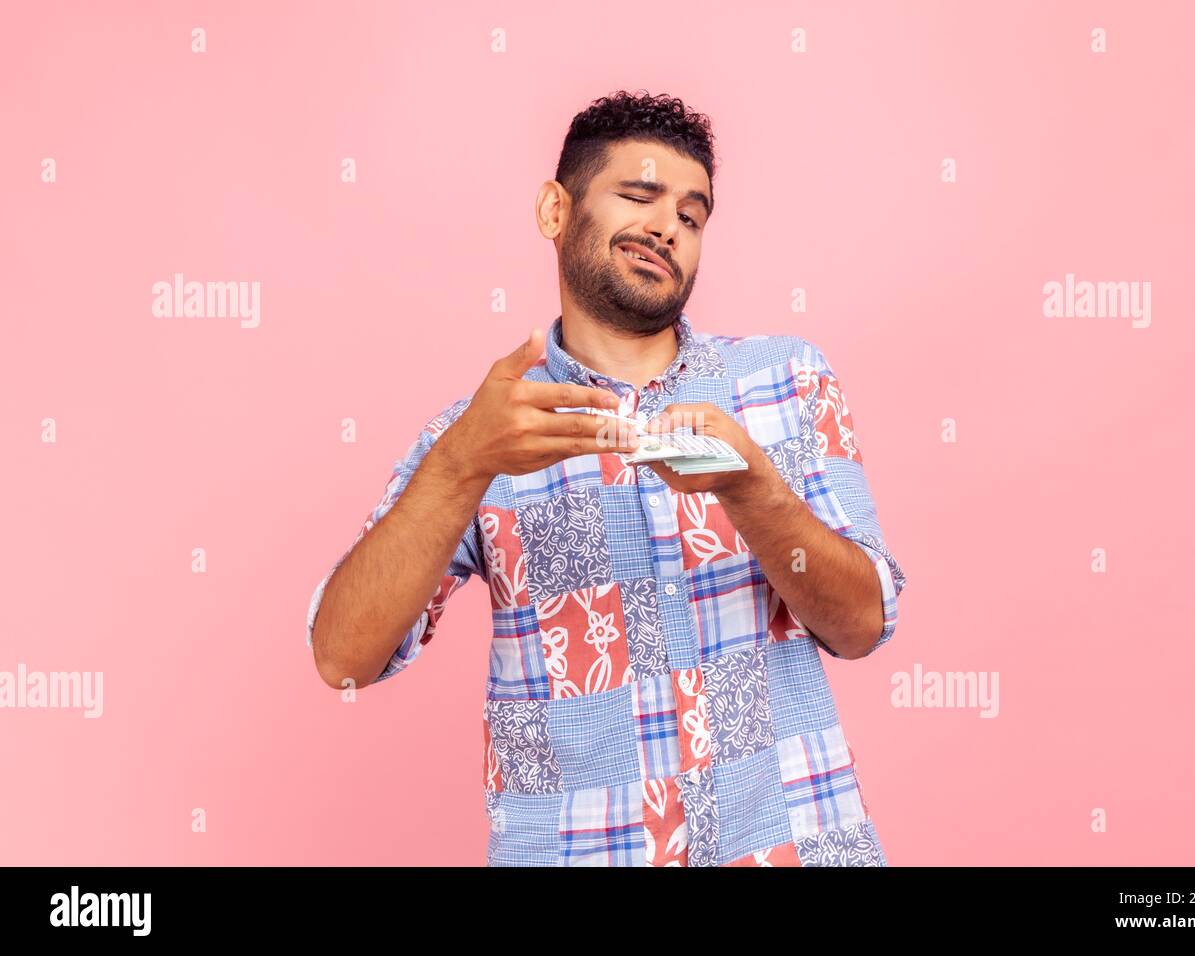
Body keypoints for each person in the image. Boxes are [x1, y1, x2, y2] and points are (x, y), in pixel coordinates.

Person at [306, 90, 907, 866]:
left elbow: (862, 625)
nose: (668, 227)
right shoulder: (481, 432)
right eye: (640, 195)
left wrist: (751, 488)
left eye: (693, 217)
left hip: (796, 844)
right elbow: (342, 657)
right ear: (555, 210)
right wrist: (463, 461)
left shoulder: (786, 380)